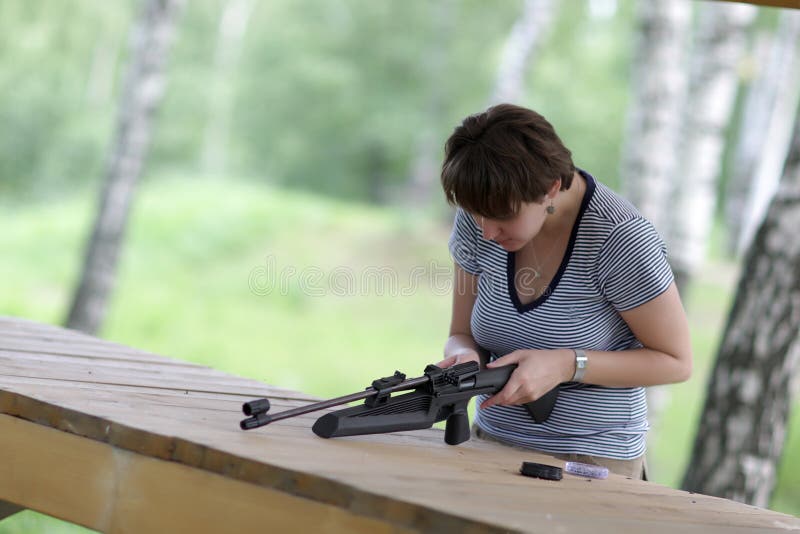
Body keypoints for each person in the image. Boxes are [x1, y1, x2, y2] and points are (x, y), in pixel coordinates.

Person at [437, 104, 692, 479]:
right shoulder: (481, 212)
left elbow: (677, 362)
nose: (487, 232)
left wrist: (569, 364)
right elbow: (461, 334)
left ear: (551, 188)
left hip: (591, 462)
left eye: (503, 216)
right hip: (488, 443)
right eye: (477, 215)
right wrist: (463, 356)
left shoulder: (620, 238)